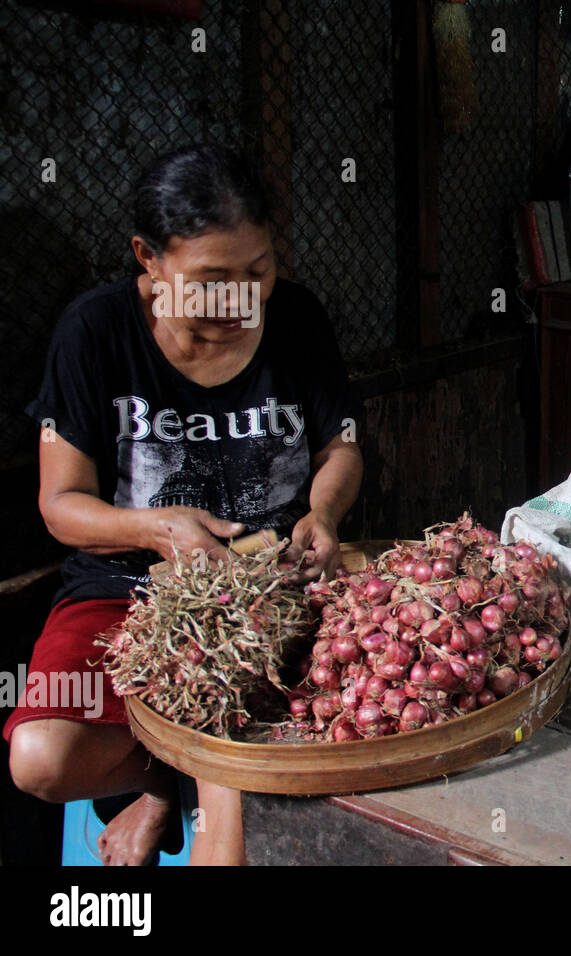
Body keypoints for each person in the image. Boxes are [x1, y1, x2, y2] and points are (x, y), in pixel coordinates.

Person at [5, 145, 365, 865]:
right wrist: (158, 528)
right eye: (211, 279)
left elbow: (341, 447)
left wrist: (321, 517)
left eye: (257, 271)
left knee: (252, 744)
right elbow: (60, 505)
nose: (241, 299)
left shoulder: (297, 318)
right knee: (42, 756)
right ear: (148, 258)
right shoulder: (96, 331)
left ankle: (195, 780)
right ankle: (180, 775)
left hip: (282, 586)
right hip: (130, 589)